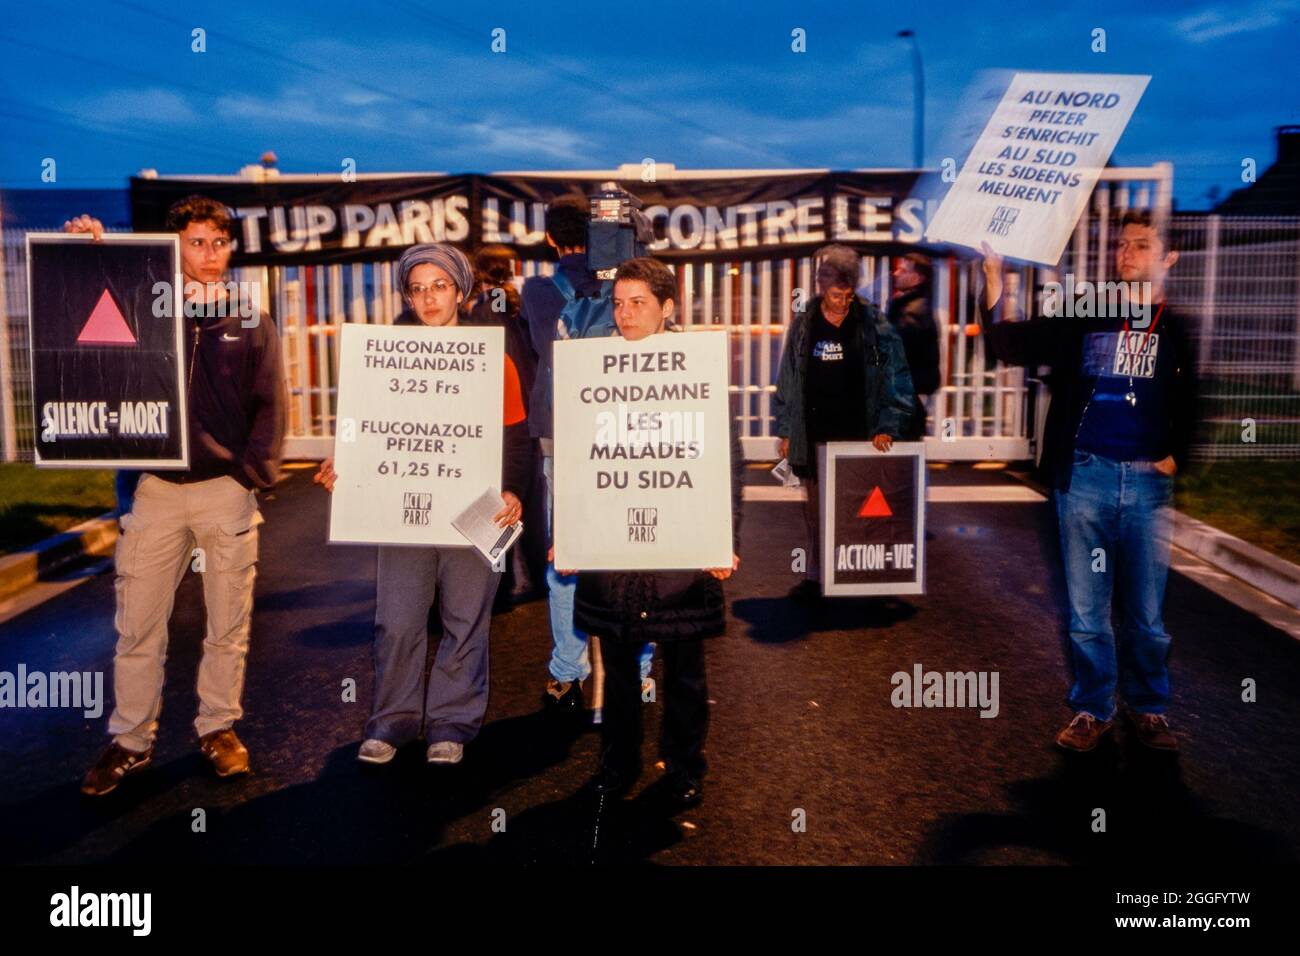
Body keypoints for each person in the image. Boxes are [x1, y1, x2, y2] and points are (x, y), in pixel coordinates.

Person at [72, 196, 287, 796]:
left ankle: (218, 728)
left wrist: (250, 475)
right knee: (138, 624)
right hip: (156, 491)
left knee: (228, 622)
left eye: (220, 243)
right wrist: (91, 245)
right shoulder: (143, 306)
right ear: (174, 247)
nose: (211, 255)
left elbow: (272, 399)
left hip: (225, 490)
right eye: (197, 242)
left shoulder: (248, 317)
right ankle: (131, 740)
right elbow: (90, 296)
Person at [978, 209, 1198, 752]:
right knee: (1086, 612)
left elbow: (1193, 397)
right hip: (1086, 478)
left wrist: (1177, 456)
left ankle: (1149, 709)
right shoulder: (1086, 310)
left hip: (1147, 484)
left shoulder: (1175, 325)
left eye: (1141, 246)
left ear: (1168, 257)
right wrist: (994, 282)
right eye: (1122, 245)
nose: (1126, 255)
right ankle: (1092, 709)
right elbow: (1012, 345)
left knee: (1147, 616)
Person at [314, 243, 531, 766]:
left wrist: (514, 488)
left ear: (460, 289)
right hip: (402, 507)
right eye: (417, 288)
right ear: (407, 297)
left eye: (439, 286)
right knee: (399, 619)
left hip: (475, 506)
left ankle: (452, 723)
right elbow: (364, 430)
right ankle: (393, 720)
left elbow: (517, 435)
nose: (428, 298)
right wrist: (343, 463)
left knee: (465, 619)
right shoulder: (383, 358)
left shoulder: (491, 355)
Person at [566, 257, 743, 807]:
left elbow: (726, 461)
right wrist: (569, 533)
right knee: (617, 672)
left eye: (637, 302)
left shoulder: (697, 370)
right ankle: (617, 765)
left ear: (668, 308)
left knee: (685, 673)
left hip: (681, 551)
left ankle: (685, 768)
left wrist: (723, 538)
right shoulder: (589, 369)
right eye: (618, 303)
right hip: (613, 554)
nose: (624, 314)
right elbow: (578, 460)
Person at [520, 198, 652, 715]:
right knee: (639, 544)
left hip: (563, 437)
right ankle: (640, 672)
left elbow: (537, 348)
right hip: (626, 432)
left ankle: (567, 671)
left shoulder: (536, 292)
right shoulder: (629, 289)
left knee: (566, 558)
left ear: (551, 239)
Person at [773, 243, 916, 603]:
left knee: (862, 509)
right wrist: (787, 429)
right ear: (821, 285)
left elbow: (897, 377)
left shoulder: (872, 322)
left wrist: (888, 426)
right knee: (816, 512)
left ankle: (863, 580)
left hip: (859, 434)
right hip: (815, 433)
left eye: (848, 294)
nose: (843, 302)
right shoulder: (805, 323)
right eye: (836, 294)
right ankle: (817, 577)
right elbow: (788, 378)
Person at [464, 244, 547, 606]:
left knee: (500, 498)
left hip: (500, 413)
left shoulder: (490, 306)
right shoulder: (517, 305)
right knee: (528, 496)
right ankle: (539, 578)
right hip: (529, 408)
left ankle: (500, 586)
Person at [888, 253, 941, 440]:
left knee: (904, 449)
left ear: (918, 278)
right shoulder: (911, 306)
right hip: (911, 388)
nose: (895, 273)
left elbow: (897, 353)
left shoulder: (911, 312)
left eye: (903, 270)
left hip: (906, 389)